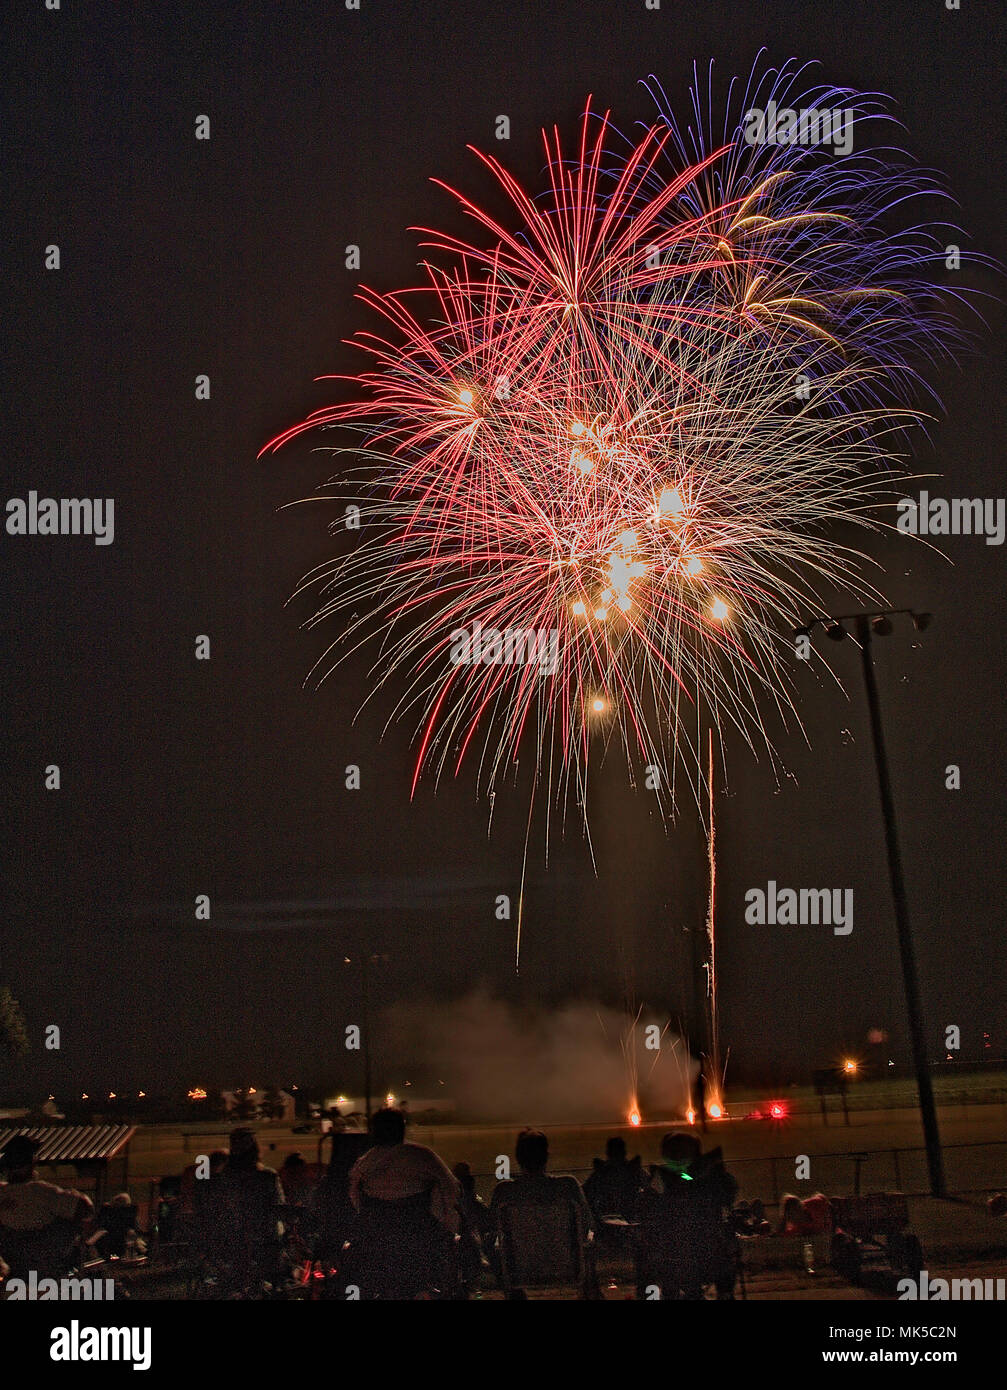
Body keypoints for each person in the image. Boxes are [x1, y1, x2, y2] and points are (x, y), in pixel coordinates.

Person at [345, 1108, 460, 1298]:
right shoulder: (422, 1156)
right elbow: (451, 1189)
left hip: (376, 1244)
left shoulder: (364, 1164)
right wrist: (447, 1224)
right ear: (401, 1129)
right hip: (420, 1241)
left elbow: (355, 1200)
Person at [199, 1128, 286, 1292]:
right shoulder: (267, 1177)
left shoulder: (222, 1179)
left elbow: (213, 1210)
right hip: (263, 1243)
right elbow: (278, 1208)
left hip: (229, 1243)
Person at [0, 1135, 93, 1279]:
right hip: (46, 1267)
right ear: (32, 1162)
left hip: (11, 1269)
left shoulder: (3, 1193)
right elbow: (85, 1207)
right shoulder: (41, 1192)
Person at [583, 1136, 645, 1224]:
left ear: (608, 1153)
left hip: (607, 1221)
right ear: (624, 1152)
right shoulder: (633, 1170)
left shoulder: (601, 1172)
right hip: (630, 1220)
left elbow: (586, 1193)